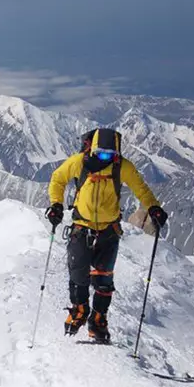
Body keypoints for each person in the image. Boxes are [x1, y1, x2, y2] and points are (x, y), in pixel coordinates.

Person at [45, 128, 168, 342]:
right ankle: (80, 309)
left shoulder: (122, 166)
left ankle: (98, 319)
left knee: (103, 280)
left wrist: (154, 208)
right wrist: (55, 203)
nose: (106, 158)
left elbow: (141, 189)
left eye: (111, 154)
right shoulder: (79, 162)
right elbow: (58, 179)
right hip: (82, 227)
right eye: (102, 154)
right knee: (78, 275)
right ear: (92, 149)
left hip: (108, 230)